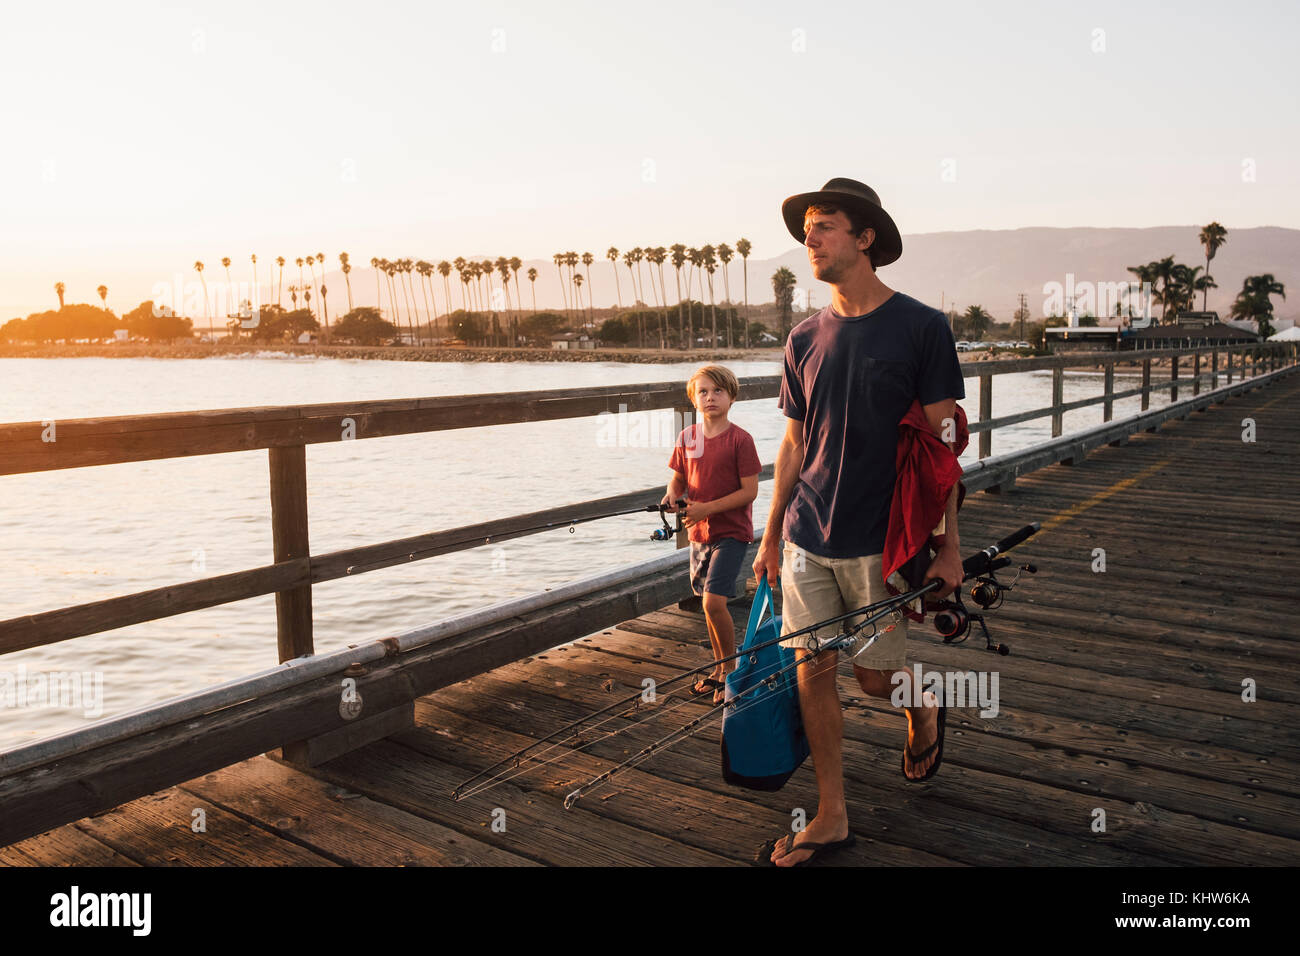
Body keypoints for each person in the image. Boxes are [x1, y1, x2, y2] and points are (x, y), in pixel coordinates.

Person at [752, 177, 967, 867]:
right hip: (806, 537)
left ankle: (921, 705)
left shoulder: (922, 328)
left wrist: (949, 549)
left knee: (875, 679)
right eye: (806, 228)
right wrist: (768, 534)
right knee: (812, 672)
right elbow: (792, 444)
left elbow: (944, 449)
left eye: (823, 225)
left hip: (881, 543)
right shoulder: (803, 337)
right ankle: (832, 814)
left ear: (864, 237)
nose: (808, 238)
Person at [664, 365, 762, 705]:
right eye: (703, 392)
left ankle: (731, 670)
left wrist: (708, 508)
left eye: (718, 391)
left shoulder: (740, 440)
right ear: (693, 399)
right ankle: (720, 668)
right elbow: (677, 478)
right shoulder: (687, 438)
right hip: (698, 534)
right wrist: (672, 494)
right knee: (707, 605)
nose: (710, 397)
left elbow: (750, 492)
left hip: (732, 534)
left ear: (731, 397)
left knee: (712, 601)